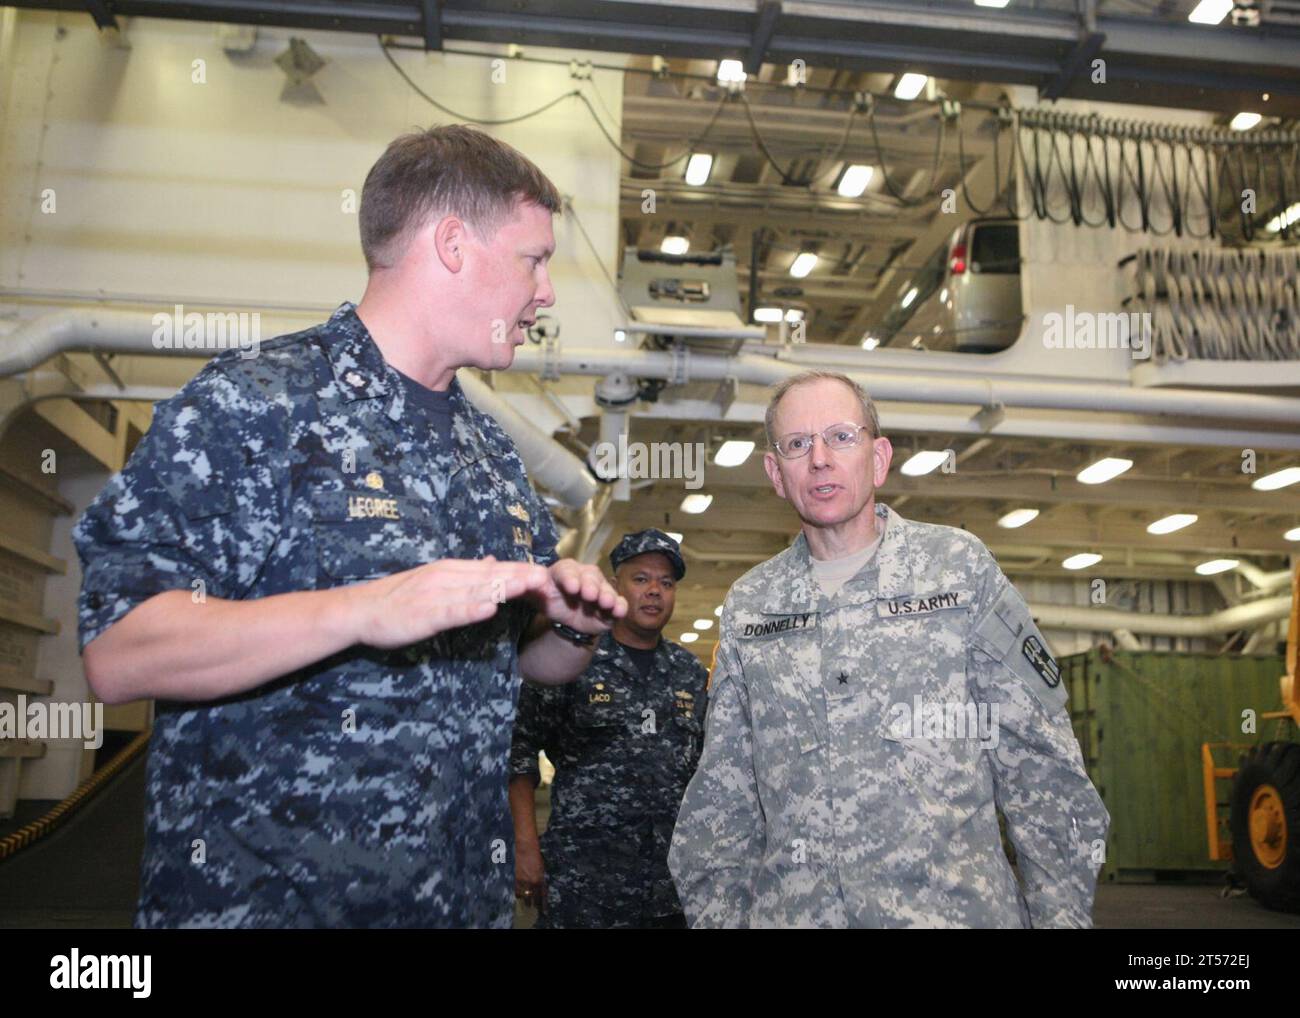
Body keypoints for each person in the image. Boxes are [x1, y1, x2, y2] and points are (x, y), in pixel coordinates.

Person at [72, 125, 628, 929]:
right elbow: (119, 652)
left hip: (456, 906)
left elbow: (525, 663)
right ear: (451, 245)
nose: (545, 293)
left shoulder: (492, 455)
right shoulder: (256, 407)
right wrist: (364, 609)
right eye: (534, 259)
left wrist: (570, 630)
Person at [668, 370, 1110, 928]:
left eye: (841, 437)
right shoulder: (752, 605)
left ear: (878, 458)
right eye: (797, 444)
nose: (820, 459)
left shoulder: (957, 572)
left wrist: (1061, 919)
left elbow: (1042, 768)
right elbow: (721, 800)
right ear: (775, 473)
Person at [509, 529, 709, 928]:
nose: (654, 591)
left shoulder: (689, 673)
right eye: (641, 579)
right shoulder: (571, 657)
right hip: (583, 887)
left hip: (668, 891)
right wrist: (526, 847)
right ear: (616, 586)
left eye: (666, 583)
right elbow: (519, 751)